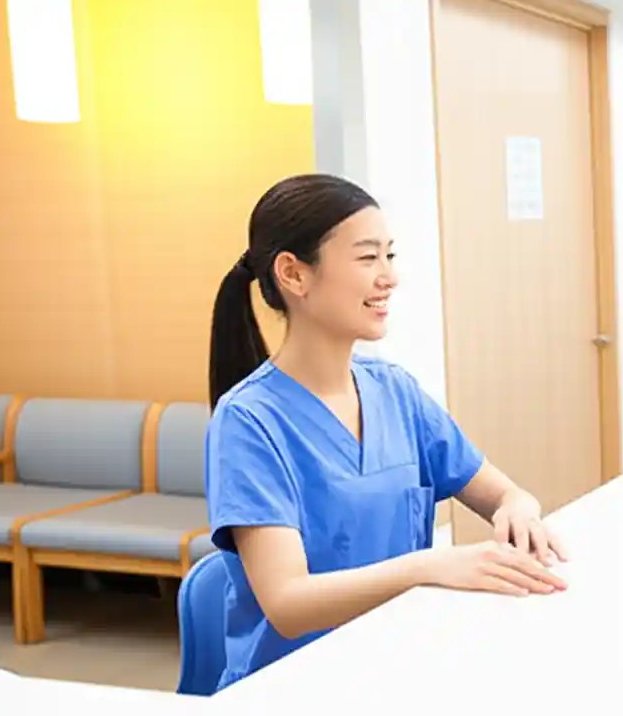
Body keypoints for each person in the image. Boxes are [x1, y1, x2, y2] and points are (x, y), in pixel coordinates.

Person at [204, 174, 568, 690]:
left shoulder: (394, 391)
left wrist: (518, 508)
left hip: (398, 668)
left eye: (390, 256)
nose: (389, 277)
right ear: (294, 274)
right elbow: (287, 603)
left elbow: (505, 493)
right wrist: (430, 566)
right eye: (367, 257)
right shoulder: (249, 422)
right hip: (295, 690)